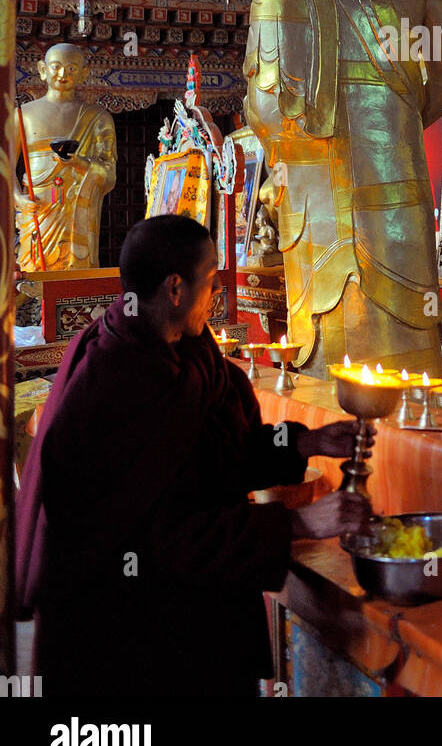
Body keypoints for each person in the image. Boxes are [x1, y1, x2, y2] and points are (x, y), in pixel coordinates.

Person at [16, 215, 368, 697]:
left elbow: (219, 456)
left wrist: (306, 443)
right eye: (212, 279)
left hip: (191, 616)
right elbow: (167, 536)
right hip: (133, 636)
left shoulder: (184, 350)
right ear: (176, 288)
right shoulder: (116, 381)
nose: (218, 292)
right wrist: (299, 523)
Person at [244, 0, 442, 377]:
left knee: (335, 347)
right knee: (411, 344)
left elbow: (270, 104)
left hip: (321, 192)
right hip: (403, 185)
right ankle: (419, 420)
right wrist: (392, 130)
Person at [14, 43, 116, 271]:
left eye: (71, 69)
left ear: (84, 73)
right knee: (34, 269)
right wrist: (18, 198)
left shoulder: (98, 117)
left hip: (78, 208)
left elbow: (109, 174)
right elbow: (5, 167)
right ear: (42, 70)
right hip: (38, 207)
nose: (63, 74)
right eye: (56, 66)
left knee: (77, 268)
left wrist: (79, 163)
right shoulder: (22, 114)